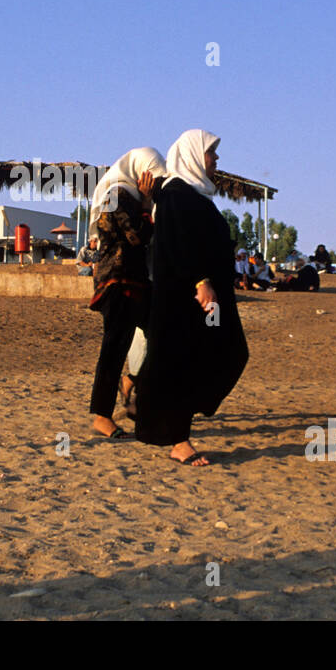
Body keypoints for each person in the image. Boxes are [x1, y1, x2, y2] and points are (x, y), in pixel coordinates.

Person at [136, 129, 248, 466]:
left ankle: (148, 399)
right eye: (211, 153)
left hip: (209, 297)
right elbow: (178, 242)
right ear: (193, 156)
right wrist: (201, 282)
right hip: (188, 299)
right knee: (184, 362)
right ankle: (178, 440)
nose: (216, 159)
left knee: (230, 352)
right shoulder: (175, 195)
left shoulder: (193, 194)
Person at [86, 148, 165, 438]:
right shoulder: (116, 194)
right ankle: (102, 417)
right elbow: (135, 236)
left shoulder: (133, 197)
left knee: (163, 335)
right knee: (114, 349)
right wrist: (146, 204)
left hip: (138, 282)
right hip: (117, 283)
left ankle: (132, 382)